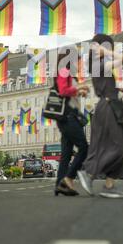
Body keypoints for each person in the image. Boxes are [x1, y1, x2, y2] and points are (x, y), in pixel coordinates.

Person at [78, 34, 123, 198]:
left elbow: (104, 83)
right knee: (118, 147)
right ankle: (89, 173)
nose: (111, 49)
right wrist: (106, 52)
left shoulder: (98, 64)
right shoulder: (99, 63)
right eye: (109, 46)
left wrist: (117, 89)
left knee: (111, 146)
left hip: (110, 105)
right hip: (107, 107)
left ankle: (109, 186)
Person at [54, 47, 89, 196]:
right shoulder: (63, 71)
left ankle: (60, 185)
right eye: (77, 58)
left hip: (68, 116)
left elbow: (67, 91)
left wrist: (78, 90)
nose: (79, 61)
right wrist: (78, 88)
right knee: (84, 147)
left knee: (67, 152)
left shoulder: (68, 73)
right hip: (68, 117)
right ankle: (68, 178)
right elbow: (62, 90)